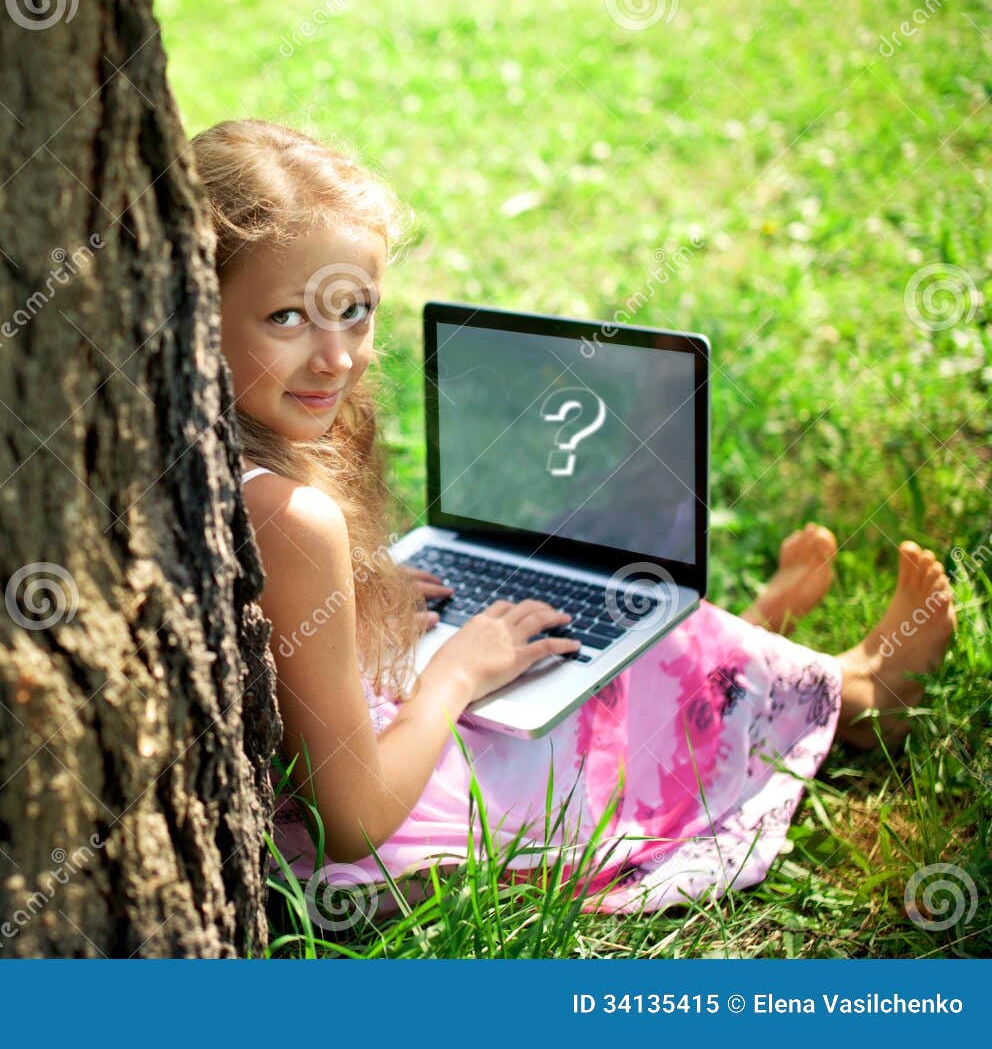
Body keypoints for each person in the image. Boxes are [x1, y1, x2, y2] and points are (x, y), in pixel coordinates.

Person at [190, 118, 958, 914]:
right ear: (192, 309)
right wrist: (456, 675)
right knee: (590, 688)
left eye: (356, 308)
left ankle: (750, 642)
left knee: (586, 640)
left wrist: (358, 612)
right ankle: (862, 693)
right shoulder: (293, 516)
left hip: (351, 764)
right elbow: (350, 821)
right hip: (379, 849)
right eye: (288, 317)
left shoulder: (198, 453)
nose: (339, 356)